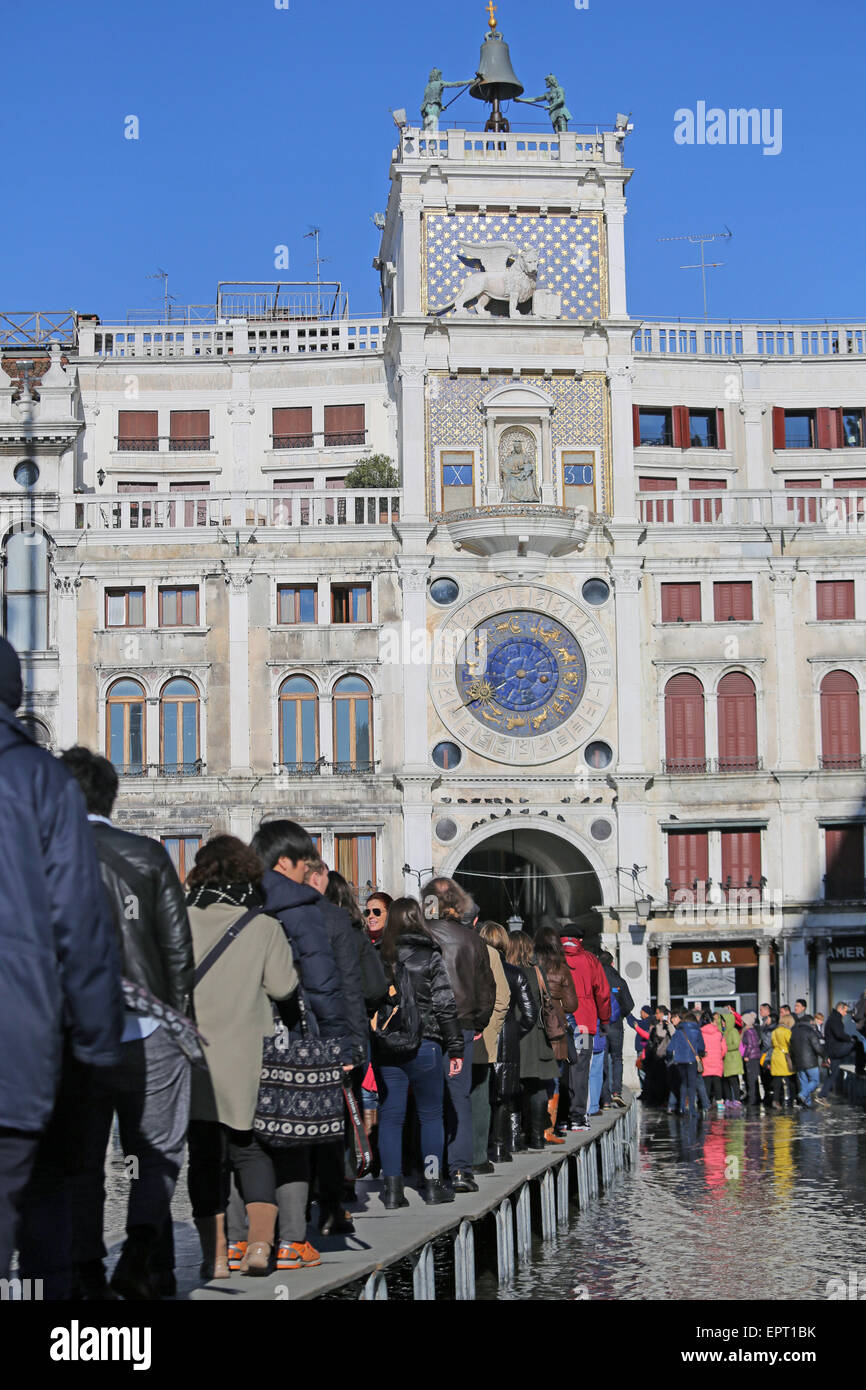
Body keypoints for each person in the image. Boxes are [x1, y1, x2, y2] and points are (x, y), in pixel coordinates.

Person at [0, 639, 123, 1294]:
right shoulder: (46, 781)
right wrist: (97, 1049)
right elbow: (79, 929)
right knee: (42, 1203)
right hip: (23, 1047)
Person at [61, 746, 194, 1301]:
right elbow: (177, 953)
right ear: (112, 796)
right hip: (148, 1029)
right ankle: (140, 1260)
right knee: (154, 1150)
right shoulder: (147, 855)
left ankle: (88, 1271)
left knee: (84, 1160)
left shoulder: (40, 854)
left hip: (74, 1035)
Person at [185, 836, 298, 1278]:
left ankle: (215, 1257)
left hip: (192, 1061)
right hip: (248, 1062)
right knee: (252, 1153)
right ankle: (257, 1247)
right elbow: (285, 989)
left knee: (203, 1159)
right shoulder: (263, 926)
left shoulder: (176, 919)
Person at [250, 820, 352, 1269]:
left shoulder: (240, 898)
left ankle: (241, 1244)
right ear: (284, 862)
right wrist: (339, 1047)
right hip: (292, 1036)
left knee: (246, 1140)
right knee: (294, 1136)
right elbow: (322, 982)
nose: (309, 873)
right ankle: (291, 1241)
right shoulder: (301, 906)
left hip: (240, 1035)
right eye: (304, 863)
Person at [372, 898, 463, 1209]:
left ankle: (393, 1189)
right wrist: (455, 1046)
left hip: (388, 1046)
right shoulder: (430, 955)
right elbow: (444, 1003)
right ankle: (433, 1184)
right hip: (426, 1043)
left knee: (391, 1115)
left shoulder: (379, 956)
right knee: (431, 1116)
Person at [303, 855, 368, 1235]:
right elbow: (353, 988)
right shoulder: (337, 921)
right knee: (331, 1124)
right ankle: (331, 1204)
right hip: (330, 1035)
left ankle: (274, 1228)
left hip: (286, 1038)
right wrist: (353, 1045)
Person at [421, 878, 495, 1192]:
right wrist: (477, 1024)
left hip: (424, 1028)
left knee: (427, 1103)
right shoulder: (473, 941)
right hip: (462, 1027)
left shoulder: (417, 937)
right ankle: (461, 1171)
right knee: (459, 1098)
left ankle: (428, 1172)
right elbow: (486, 991)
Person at [478, 922, 537, 1160]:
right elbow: (530, 1014)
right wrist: (516, 1032)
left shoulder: (476, 970)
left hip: (481, 1034)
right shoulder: (515, 972)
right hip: (506, 1035)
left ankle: (481, 1148)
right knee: (504, 1094)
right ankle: (501, 1147)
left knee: (481, 1091)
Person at [506, 932, 557, 1151]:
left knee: (511, 1088)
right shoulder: (537, 971)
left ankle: (515, 1138)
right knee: (537, 1087)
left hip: (511, 1034)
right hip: (537, 1035)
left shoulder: (505, 971)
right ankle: (537, 1137)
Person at [559, 924, 611, 1131]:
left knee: (560, 1068)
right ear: (579, 940)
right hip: (584, 1024)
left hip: (559, 1023)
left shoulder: (553, 959)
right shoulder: (590, 960)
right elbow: (603, 993)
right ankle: (578, 1117)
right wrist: (604, 1021)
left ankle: (560, 1117)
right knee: (580, 1068)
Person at [470, 923, 510, 1174]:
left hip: (451, 1036)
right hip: (476, 1038)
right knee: (478, 1096)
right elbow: (502, 999)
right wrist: (489, 1029)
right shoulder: (489, 955)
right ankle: (476, 1157)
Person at [532, 927, 578, 1140]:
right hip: (555, 1030)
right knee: (554, 1077)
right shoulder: (561, 968)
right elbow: (572, 1004)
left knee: (535, 1078)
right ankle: (548, 1129)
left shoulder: (530, 965)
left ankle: (532, 1127)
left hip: (533, 1028)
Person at [598, 949, 634, 1109]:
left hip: (600, 1026)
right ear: (613, 963)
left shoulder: (596, 979)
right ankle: (616, 1092)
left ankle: (604, 1099)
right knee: (617, 1058)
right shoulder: (620, 981)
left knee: (602, 1059)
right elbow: (629, 1005)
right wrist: (619, 1015)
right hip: (616, 1026)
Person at [667, 1009, 706, 1115]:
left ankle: (682, 1107)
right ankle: (692, 1109)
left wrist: (669, 1059)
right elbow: (702, 1047)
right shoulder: (697, 1031)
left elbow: (670, 1049)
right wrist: (700, 1053)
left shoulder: (679, 1031)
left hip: (679, 1061)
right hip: (692, 1060)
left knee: (683, 1084)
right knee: (692, 1085)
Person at [818, 1001, 857, 1101]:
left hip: (832, 1049)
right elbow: (839, 1034)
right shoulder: (836, 1019)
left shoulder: (832, 1018)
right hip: (836, 1049)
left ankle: (822, 1095)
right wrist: (850, 1039)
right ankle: (860, 1067)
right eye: (845, 1011)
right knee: (857, 1044)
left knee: (834, 1073)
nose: (845, 1013)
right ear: (840, 1009)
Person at [789, 1010, 825, 1109]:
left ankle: (807, 1103)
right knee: (815, 1081)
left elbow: (791, 1048)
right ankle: (802, 1095)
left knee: (804, 1083)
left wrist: (793, 1060)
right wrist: (825, 1057)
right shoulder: (810, 1031)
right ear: (810, 1022)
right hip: (810, 1062)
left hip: (798, 1062)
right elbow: (817, 1047)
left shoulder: (794, 1031)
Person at [700, 1010, 726, 1111]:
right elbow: (724, 1048)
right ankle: (719, 1103)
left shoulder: (701, 1033)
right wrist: (720, 1056)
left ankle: (706, 1103)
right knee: (717, 1082)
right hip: (717, 1061)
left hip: (705, 1060)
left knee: (706, 1082)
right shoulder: (719, 1033)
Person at [721, 1008, 744, 1109]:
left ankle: (737, 1099)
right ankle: (728, 1099)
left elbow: (736, 1044)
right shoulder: (722, 1031)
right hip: (725, 1060)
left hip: (732, 1059)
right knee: (725, 1080)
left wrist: (725, 1048)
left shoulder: (733, 1031)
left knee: (733, 1080)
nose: (722, 1023)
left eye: (724, 1020)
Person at [770, 1018, 795, 1107]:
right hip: (784, 1056)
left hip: (776, 1055)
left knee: (777, 1079)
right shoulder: (786, 1031)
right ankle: (792, 1099)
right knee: (791, 1078)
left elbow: (772, 1043)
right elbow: (790, 1043)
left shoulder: (774, 1031)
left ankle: (775, 1100)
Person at [740, 1012, 762, 1106]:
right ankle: (755, 1098)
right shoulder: (753, 1031)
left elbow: (750, 1045)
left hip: (751, 1058)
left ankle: (751, 1100)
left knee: (751, 1080)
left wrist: (746, 1055)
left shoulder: (747, 1032)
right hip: (755, 1057)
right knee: (753, 1079)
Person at [757, 1004, 777, 1107]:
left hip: (768, 1055)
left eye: (761, 1010)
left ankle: (770, 1099)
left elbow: (767, 1043)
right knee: (767, 1079)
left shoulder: (769, 1027)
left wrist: (762, 1050)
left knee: (769, 1079)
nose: (760, 1012)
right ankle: (769, 1098)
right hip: (767, 1054)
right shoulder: (764, 1024)